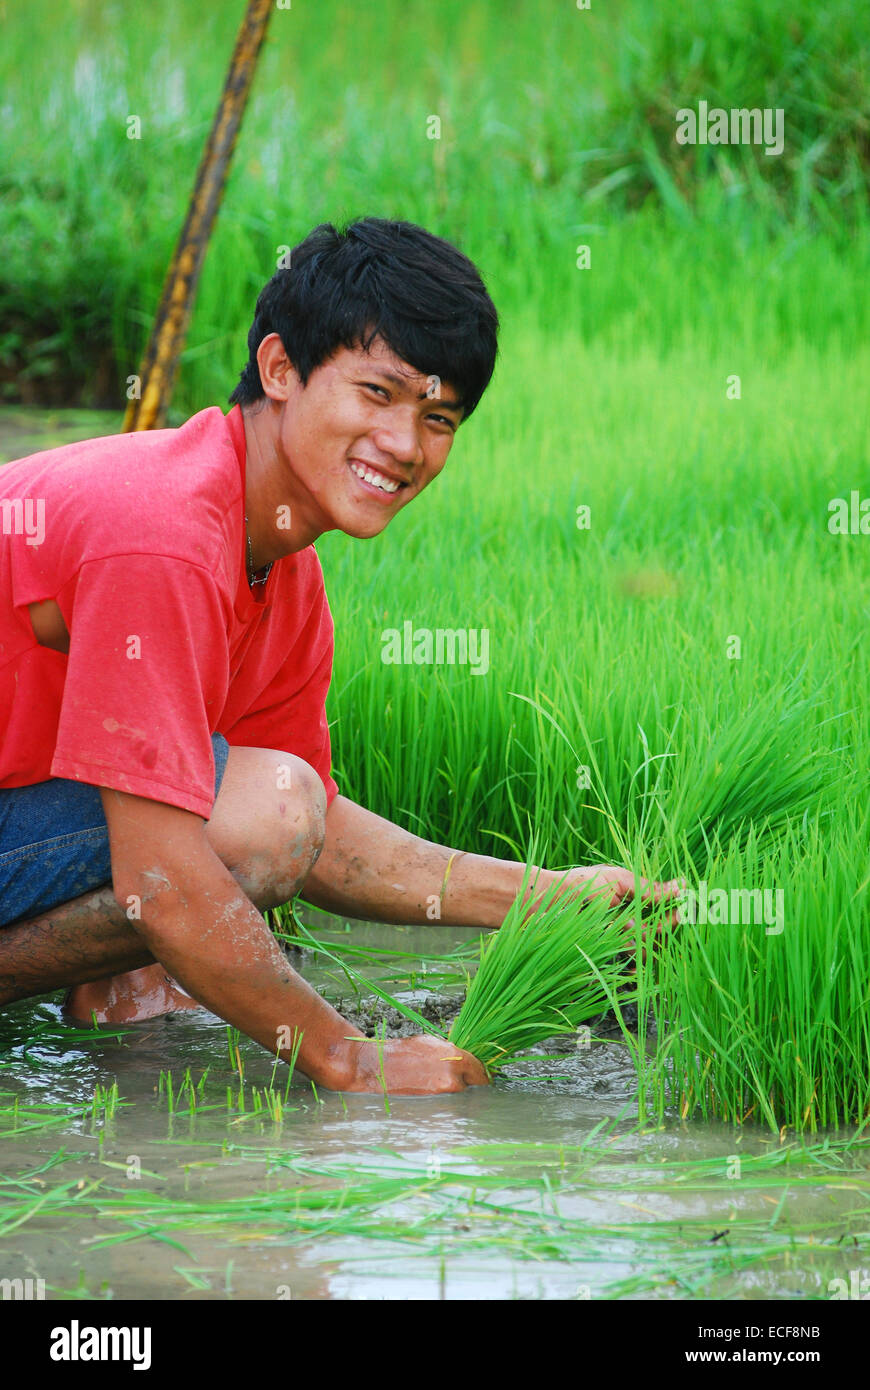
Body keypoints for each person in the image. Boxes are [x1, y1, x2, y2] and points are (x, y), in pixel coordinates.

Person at [0, 217, 680, 1094]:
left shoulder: (282, 570)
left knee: (210, 898)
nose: (405, 445)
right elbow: (194, 862)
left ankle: (117, 1025)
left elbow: (314, 836)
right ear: (281, 369)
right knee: (206, 857)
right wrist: (352, 1061)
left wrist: (548, 897)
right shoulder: (161, 532)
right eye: (377, 394)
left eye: (438, 417)